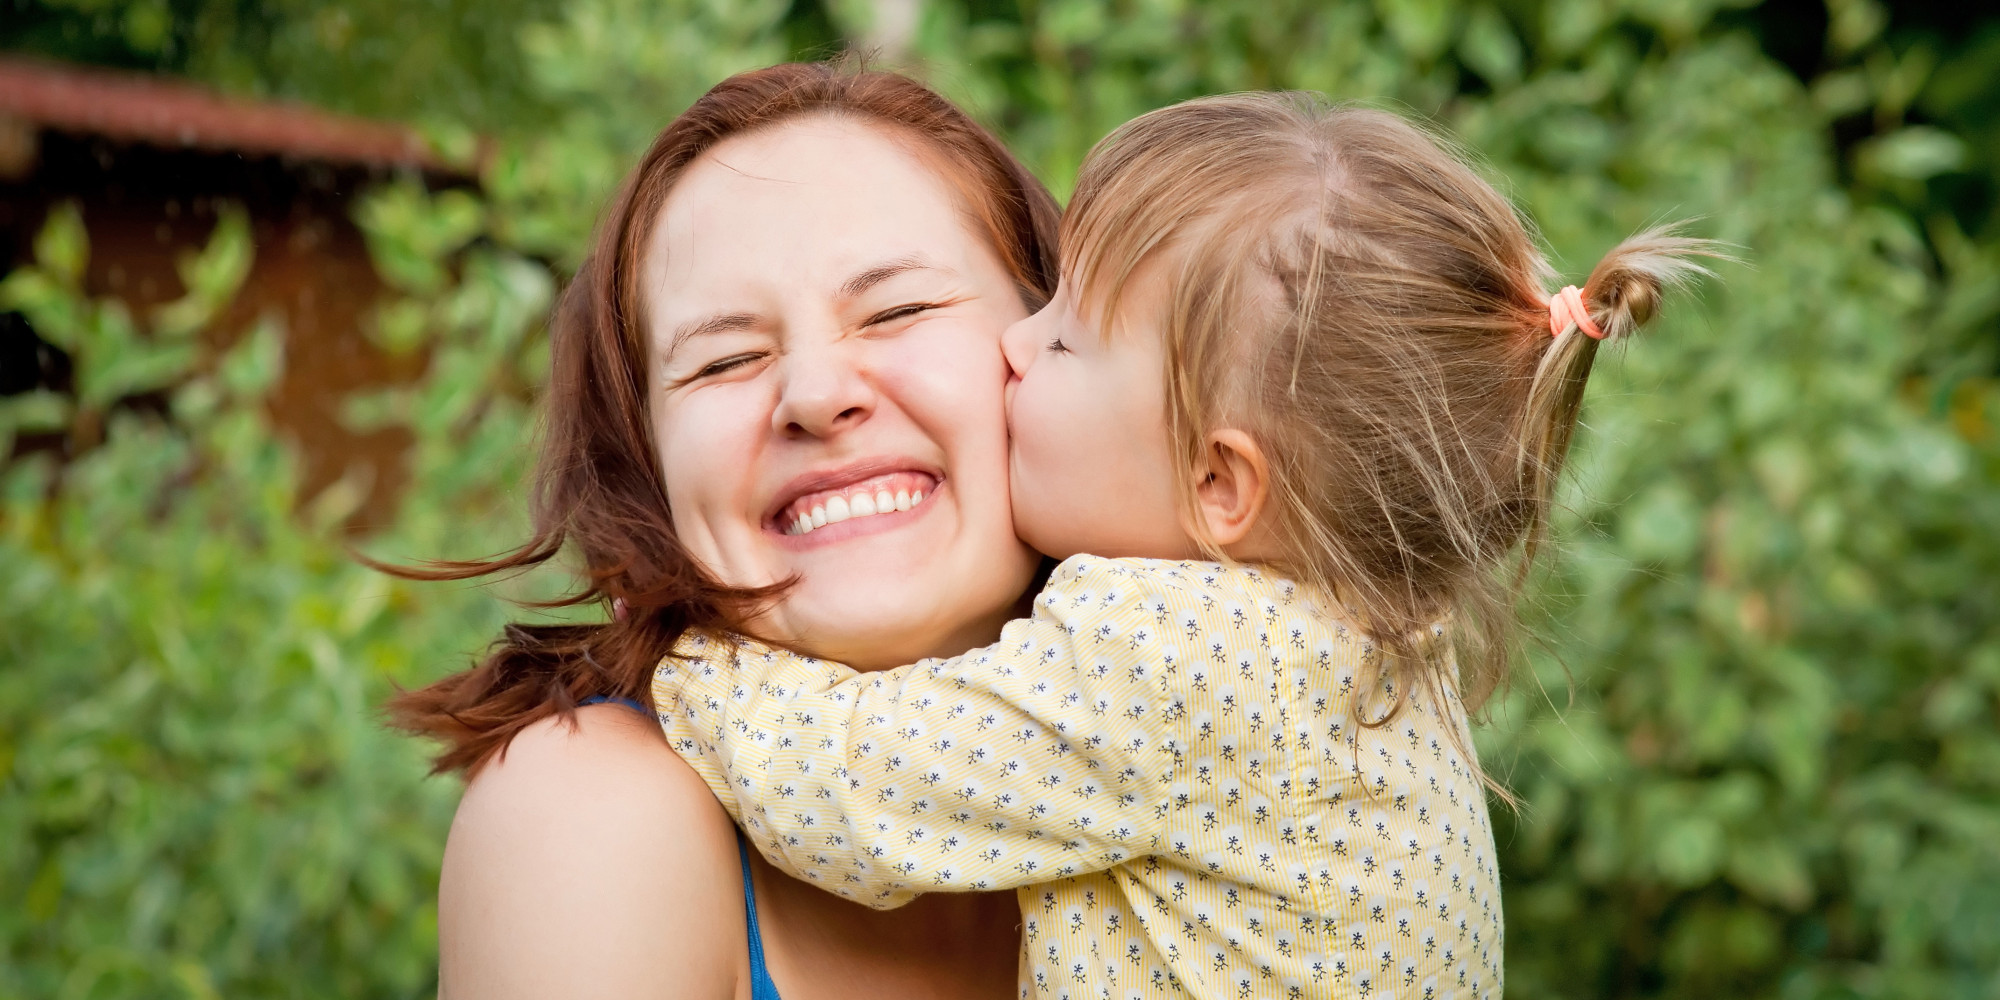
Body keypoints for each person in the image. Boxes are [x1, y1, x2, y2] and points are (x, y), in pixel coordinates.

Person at [651, 94, 1717, 998]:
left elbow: (841, 791)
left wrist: (686, 654)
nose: (1012, 347)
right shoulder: (1381, 638)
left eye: (1064, 337)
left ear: (1218, 483)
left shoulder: (1173, 655)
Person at [385, 63, 1062, 999]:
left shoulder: (1266, 723)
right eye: (726, 360)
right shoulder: (586, 814)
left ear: (1060, 348)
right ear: (646, 470)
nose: (818, 395)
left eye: (897, 309)